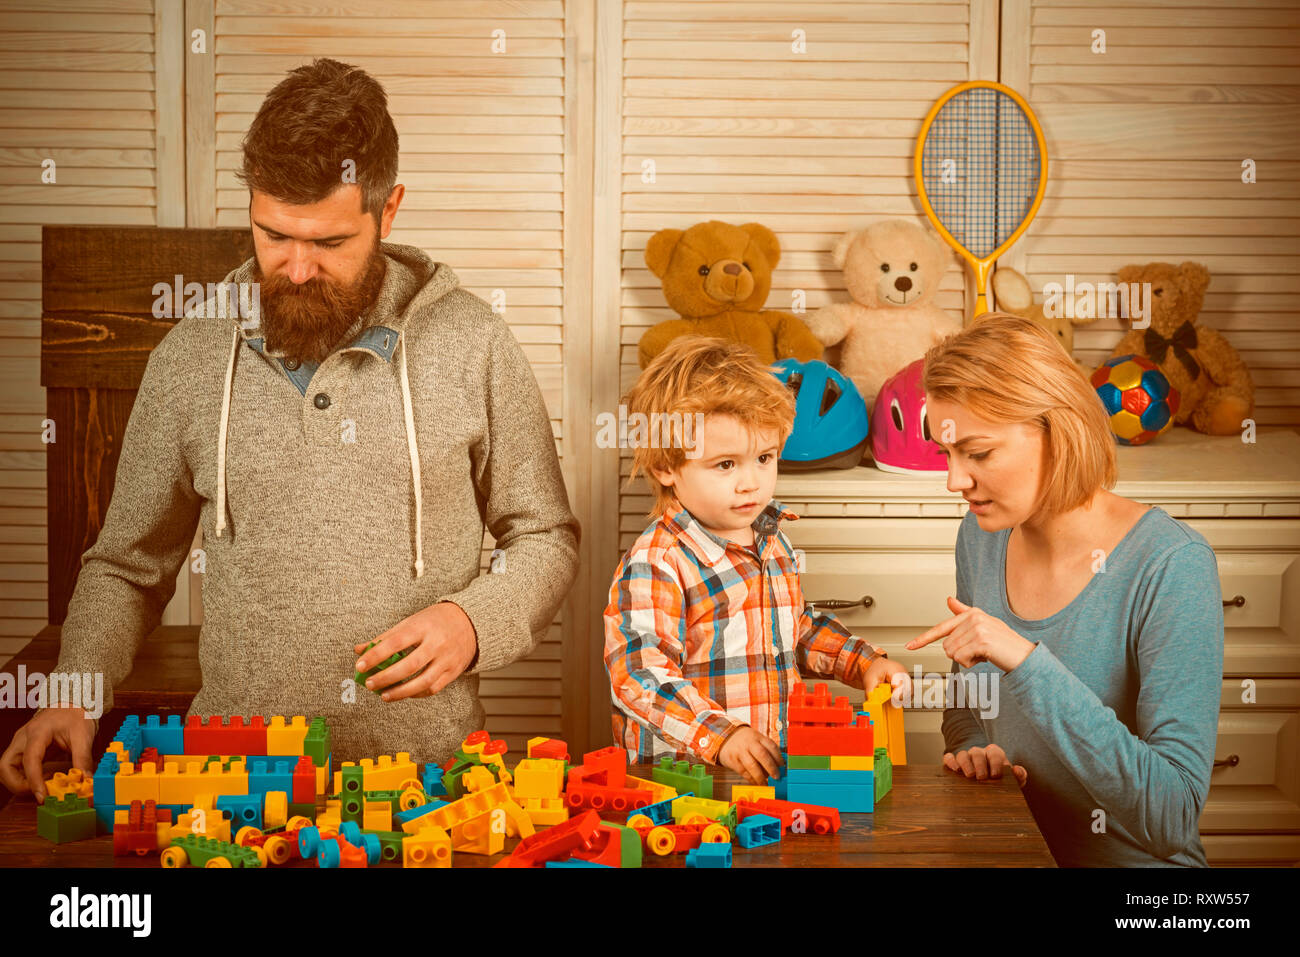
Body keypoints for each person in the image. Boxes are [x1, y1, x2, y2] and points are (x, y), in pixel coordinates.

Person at [1, 58, 579, 801]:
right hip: (237, 787)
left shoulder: (474, 343)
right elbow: (126, 565)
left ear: (389, 209)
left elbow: (545, 534)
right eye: (274, 234)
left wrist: (473, 620)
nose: (297, 269)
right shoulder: (191, 357)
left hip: (430, 787)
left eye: (329, 243)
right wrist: (74, 692)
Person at [907, 313, 1223, 867]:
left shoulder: (1171, 565)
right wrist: (974, 751)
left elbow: (1172, 815)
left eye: (978, 454)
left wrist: (1028, 663)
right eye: (946, 454)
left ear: (1059, 428)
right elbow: (968, 702)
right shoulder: (981, 537)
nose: (955, 482)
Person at [604, 336, 910, 786]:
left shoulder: (771, 537)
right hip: (687, 783)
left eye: (764, 458)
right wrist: (722, 735)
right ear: (666, 466)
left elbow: (793, 628)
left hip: (768, 773)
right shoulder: (659, 563)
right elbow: (638, 674)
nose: (751, 482)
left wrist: (862, 661)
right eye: (726, 465)